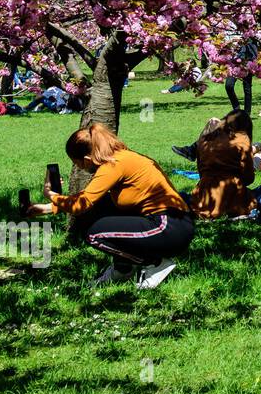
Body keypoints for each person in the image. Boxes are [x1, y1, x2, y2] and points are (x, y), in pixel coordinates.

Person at [27, 123, 195, 288]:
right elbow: (89, 200)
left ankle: (155, 262)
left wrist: (51, 194)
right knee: (95, 210)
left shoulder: (113, 165)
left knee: (94, 234)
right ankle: (123, 269)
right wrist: (47, 208)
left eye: (77, 164)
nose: (80, 168)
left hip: (168, 227)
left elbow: (81, 204)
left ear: (86, 159)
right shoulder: (119, 157)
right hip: (172, 223)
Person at [189, 110, 256, 219]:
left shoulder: (205, 139)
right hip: (231, 196)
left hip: (202, 197)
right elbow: (248, 178)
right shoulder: (242, 140)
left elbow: (201, 172)